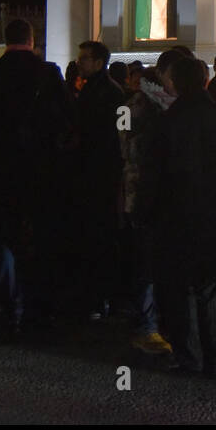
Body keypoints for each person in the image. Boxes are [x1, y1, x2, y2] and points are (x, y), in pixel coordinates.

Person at [142, 57, 216, 375]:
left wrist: (146, 214)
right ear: (205, 81)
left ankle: (189, 356)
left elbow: (153, 177)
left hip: (175, 218)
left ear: (174, 83)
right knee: (214, 292)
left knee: (179, 292)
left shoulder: (164, 124)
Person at [0, 20, 74, 334]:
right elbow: (68, 120)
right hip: (42, 171)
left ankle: (11, 306)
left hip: (1, 173)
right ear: (31, 40)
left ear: (5, 39)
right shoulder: (48, 74)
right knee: (40, 240)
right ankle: (40, 308)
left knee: (5, 240)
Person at [119, 58, 177, 356]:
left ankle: (148, 322)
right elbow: (127, 148)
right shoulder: (151, 109)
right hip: (144, 195)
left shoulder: (142, 107)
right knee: (148, 263)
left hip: (140, 195)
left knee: (148, 262)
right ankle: (146, 326)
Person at [74, 40, 125, 322]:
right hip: (99, 173)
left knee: (98, 237)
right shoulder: (102, 90)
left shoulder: (101, 93)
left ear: (97, 62)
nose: (79, 62)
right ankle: (102, 296)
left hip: (98, 174)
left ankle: (100, 297)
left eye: (84, 58)